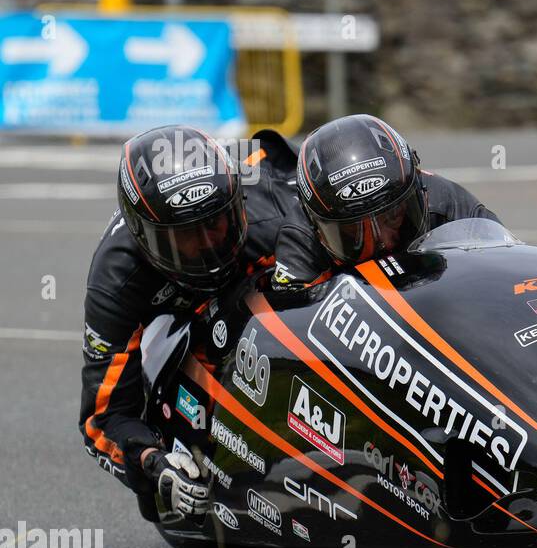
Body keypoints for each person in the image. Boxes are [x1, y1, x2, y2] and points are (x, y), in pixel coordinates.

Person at [80, 125, 301, 523]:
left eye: (216, 224)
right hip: (178, 329)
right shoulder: (116, 280)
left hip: (267, 286)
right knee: (160, 503)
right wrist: (150, 462)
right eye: (185, 237)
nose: (208, 247)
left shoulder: (274, 208)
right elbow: (102, 417)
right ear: (144, 237)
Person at [272, 114, 496, 292]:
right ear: (314, 225)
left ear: (419, 190)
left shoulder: (448, 201)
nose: (384, 244)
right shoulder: (300, 237)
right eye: (352, 229)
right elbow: (291, 316)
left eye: (393, 216)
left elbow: (504, 271)